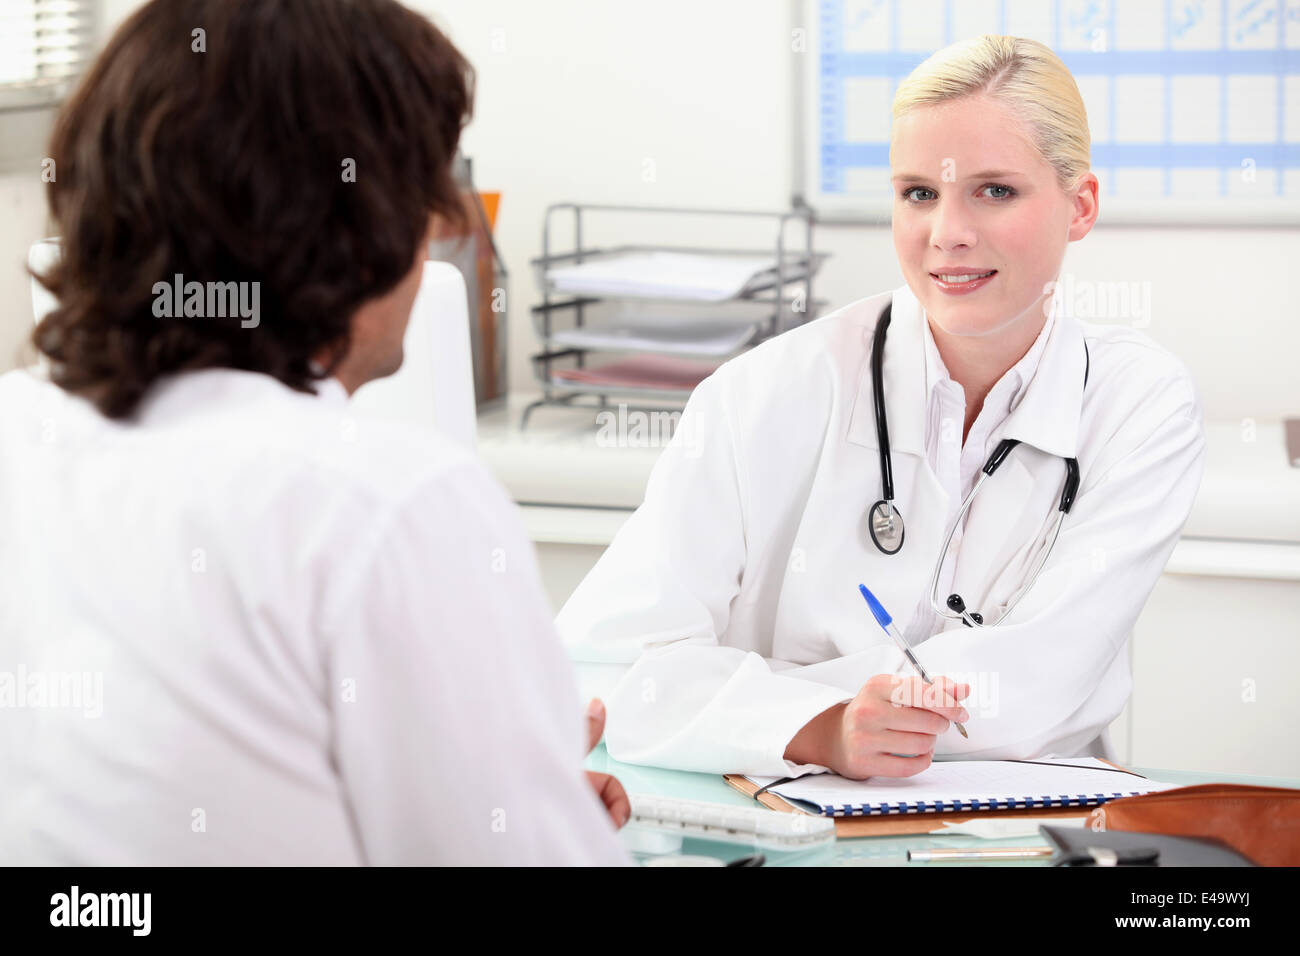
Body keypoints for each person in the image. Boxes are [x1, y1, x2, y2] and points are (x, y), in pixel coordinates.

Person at [0, 0, 628, 865]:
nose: (443, 228)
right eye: (421, 186)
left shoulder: (18, 434)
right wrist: (540, 804)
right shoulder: (383, 505)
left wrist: (514, 793)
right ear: (347, 217)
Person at [558, 35, 1206, 781]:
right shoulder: (763, 395)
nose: (948, 233)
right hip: (792, 813)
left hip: (1033, 816)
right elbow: (601, 668)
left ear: (1080, 205)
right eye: (919, 193)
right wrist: (821, 728)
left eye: (995, 190)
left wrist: (745, 696)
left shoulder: (1136, 404)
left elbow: (1036, 692)